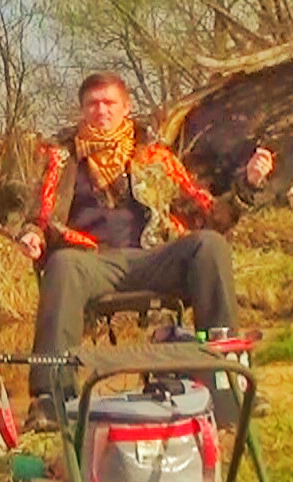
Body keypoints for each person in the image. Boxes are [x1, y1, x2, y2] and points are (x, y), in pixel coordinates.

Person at [18, 72, 273, 429]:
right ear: (82, 110)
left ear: (126, 107)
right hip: (93, 262)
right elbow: (40, 216)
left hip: (155, 257)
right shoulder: (62, 160)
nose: (101, 111)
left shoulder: (155, 157)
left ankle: (227, 382)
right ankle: (52, 398)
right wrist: (33, 236)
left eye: (109, 103)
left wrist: (248, 183)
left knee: (210, 245)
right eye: (93, 104)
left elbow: (209, 213)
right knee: (62, 265)